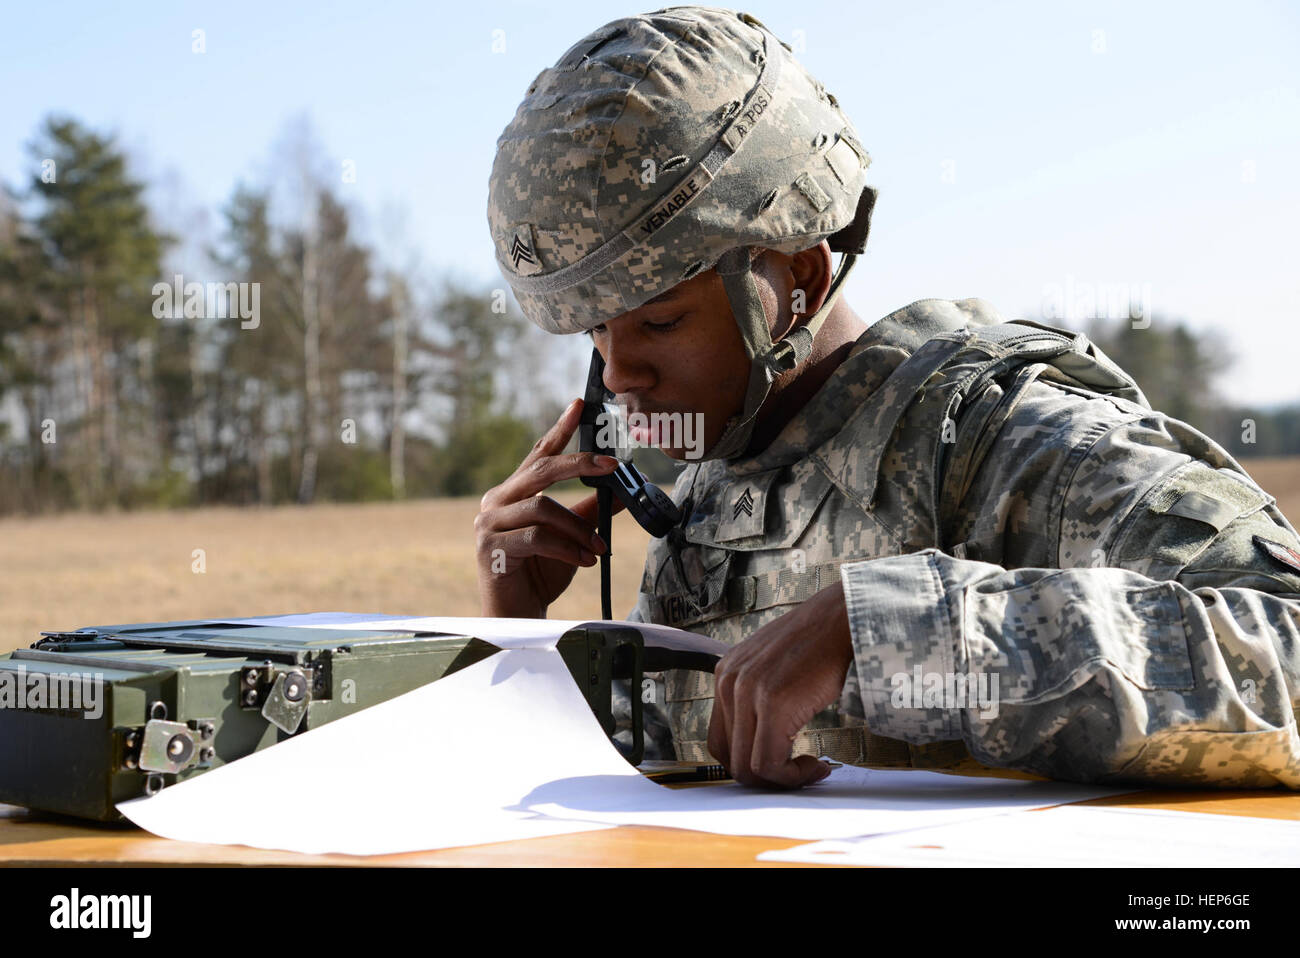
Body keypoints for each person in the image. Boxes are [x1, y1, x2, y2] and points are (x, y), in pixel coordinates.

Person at [477, 6, 1300, 789]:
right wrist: (521, 643)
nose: (620, 377)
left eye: (659, 320)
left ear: (799, 277)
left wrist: (895, 631)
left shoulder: (1006, 445)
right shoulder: (704, 516)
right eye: (595, 333)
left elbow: (1286, 657)